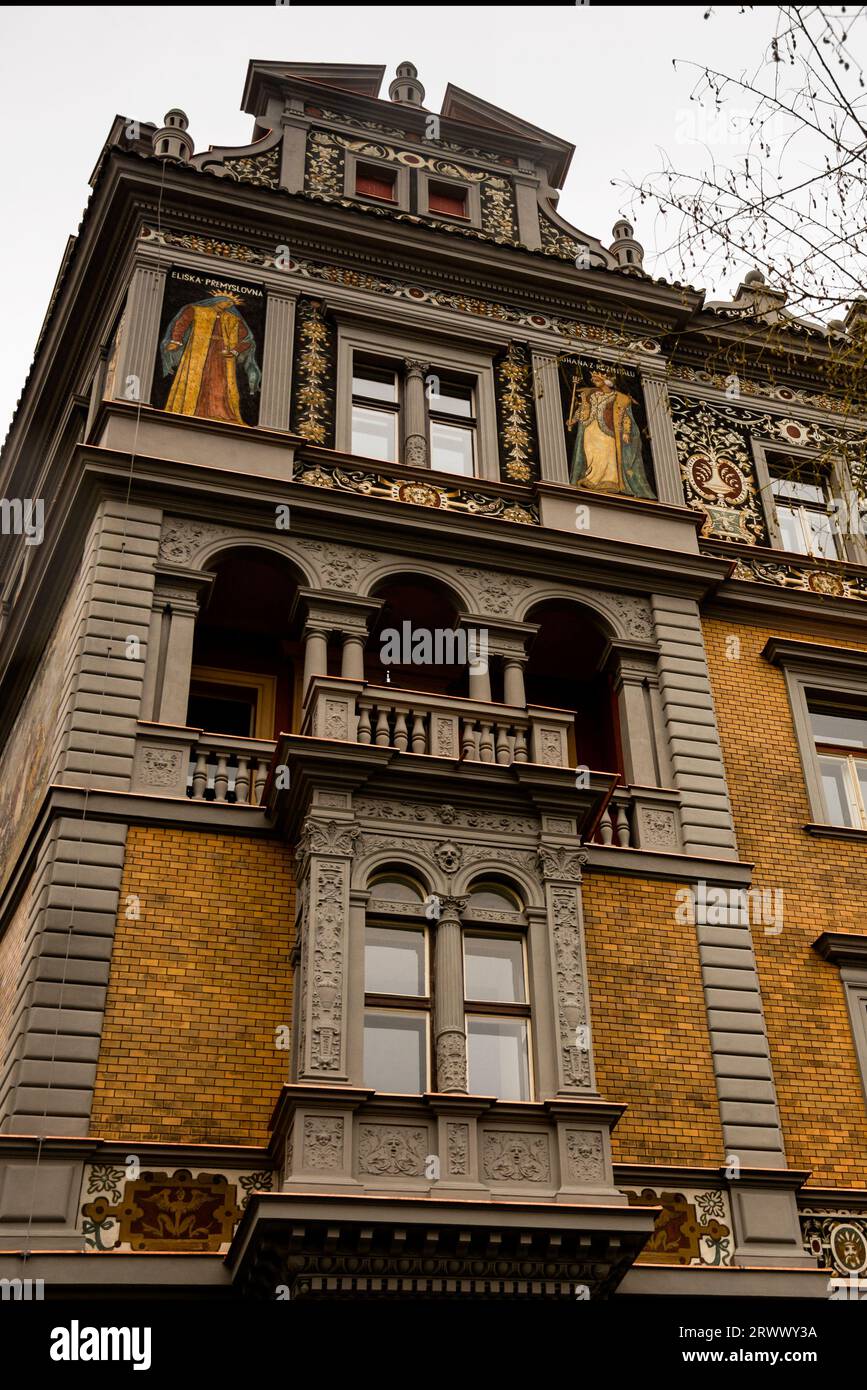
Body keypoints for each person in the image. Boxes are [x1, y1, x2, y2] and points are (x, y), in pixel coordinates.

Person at [160, 290, 261, 425]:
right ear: (217, 300)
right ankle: (191, 410)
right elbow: (182, 323)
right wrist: (175, 340)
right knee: (195, 378)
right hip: (198, 349)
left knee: (219, 382)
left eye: (230, 304)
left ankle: (219, 413)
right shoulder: (197, 310)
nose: (227, 305)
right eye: (226, 301)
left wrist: (235, 351)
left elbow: (247, 340)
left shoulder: (233, 319)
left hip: (221, 355)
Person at [567, 367, 654, 498]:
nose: (594, 381)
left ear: (606, 381)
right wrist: (573, 420)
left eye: (597, 379)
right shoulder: (592, 395)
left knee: (607, 453)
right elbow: (583, 408)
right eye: (593, 379)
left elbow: (625, 416)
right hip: (590, 428)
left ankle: (610, 482)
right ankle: (591, 479)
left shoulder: (618, 398)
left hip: (608, 431)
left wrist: (625, 432)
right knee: (591, 453)